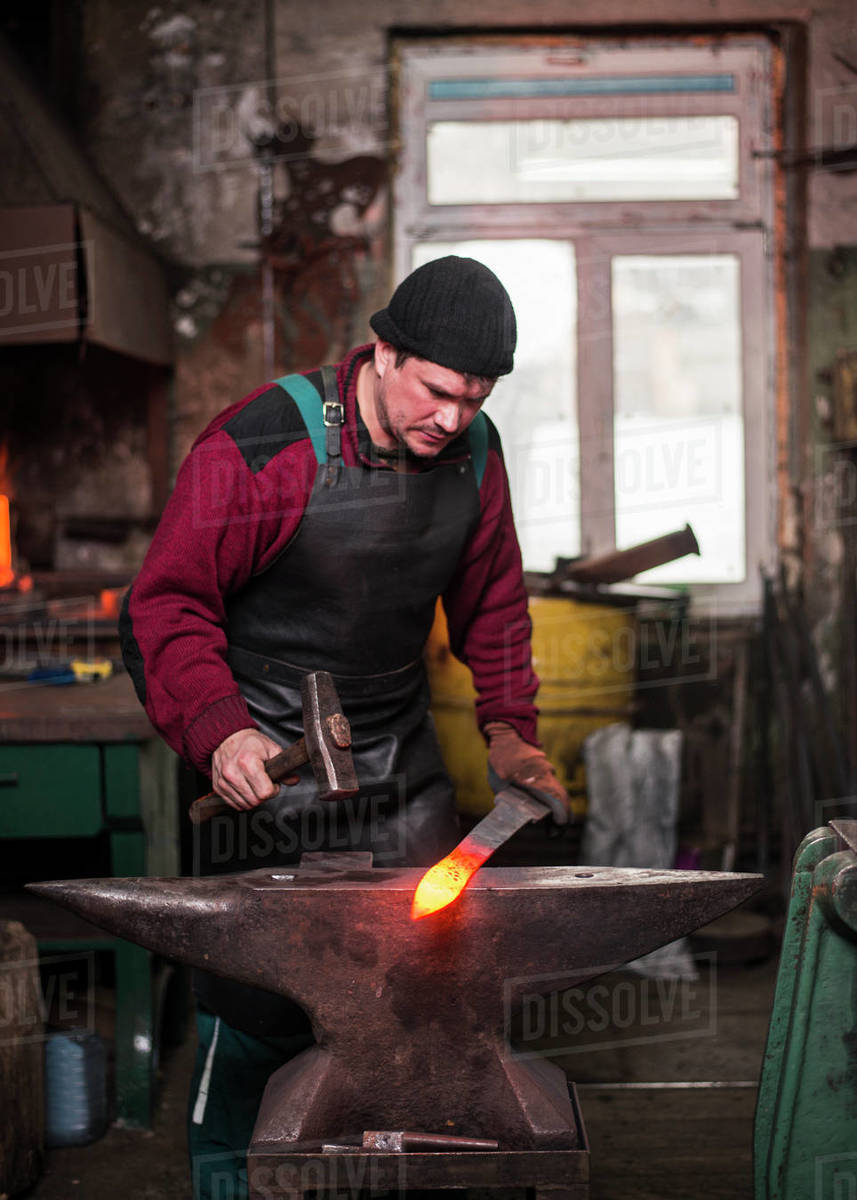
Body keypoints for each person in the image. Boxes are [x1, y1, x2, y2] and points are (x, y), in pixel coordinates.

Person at [119, 255, 571, 1199]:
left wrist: (508, 728)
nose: (453, 418)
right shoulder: (261, 445)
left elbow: (492, 605)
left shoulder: (475, 454)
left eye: (476, 397)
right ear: (383, 351)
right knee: (257, 1004)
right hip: (268, 761)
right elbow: (166, 606)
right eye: (437, 391)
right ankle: (231, 1177)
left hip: (399, 762)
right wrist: (221, 732)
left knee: (424, 994)